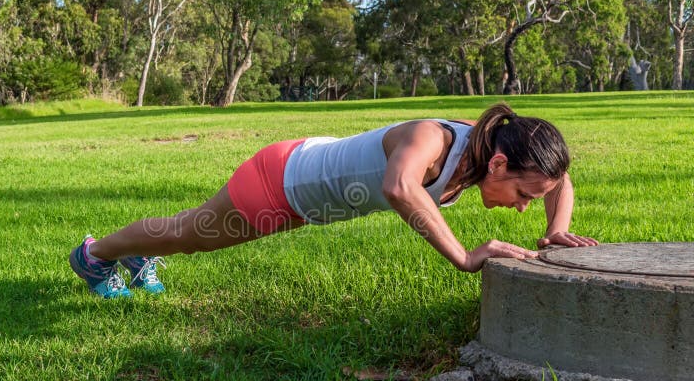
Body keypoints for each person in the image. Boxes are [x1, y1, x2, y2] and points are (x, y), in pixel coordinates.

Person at [69, 102, 598, 298]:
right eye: (525, 196)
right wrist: (464, 256)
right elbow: (398, 188)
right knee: (187, 236)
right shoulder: (433, 141)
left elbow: (561, 180)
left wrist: (557, 228)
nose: (525, 206)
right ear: (501, 165)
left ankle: (130, 255)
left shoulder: (486, 153)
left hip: (309, 189)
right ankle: (95, 255)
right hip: (279, 186)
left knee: (189, 235)